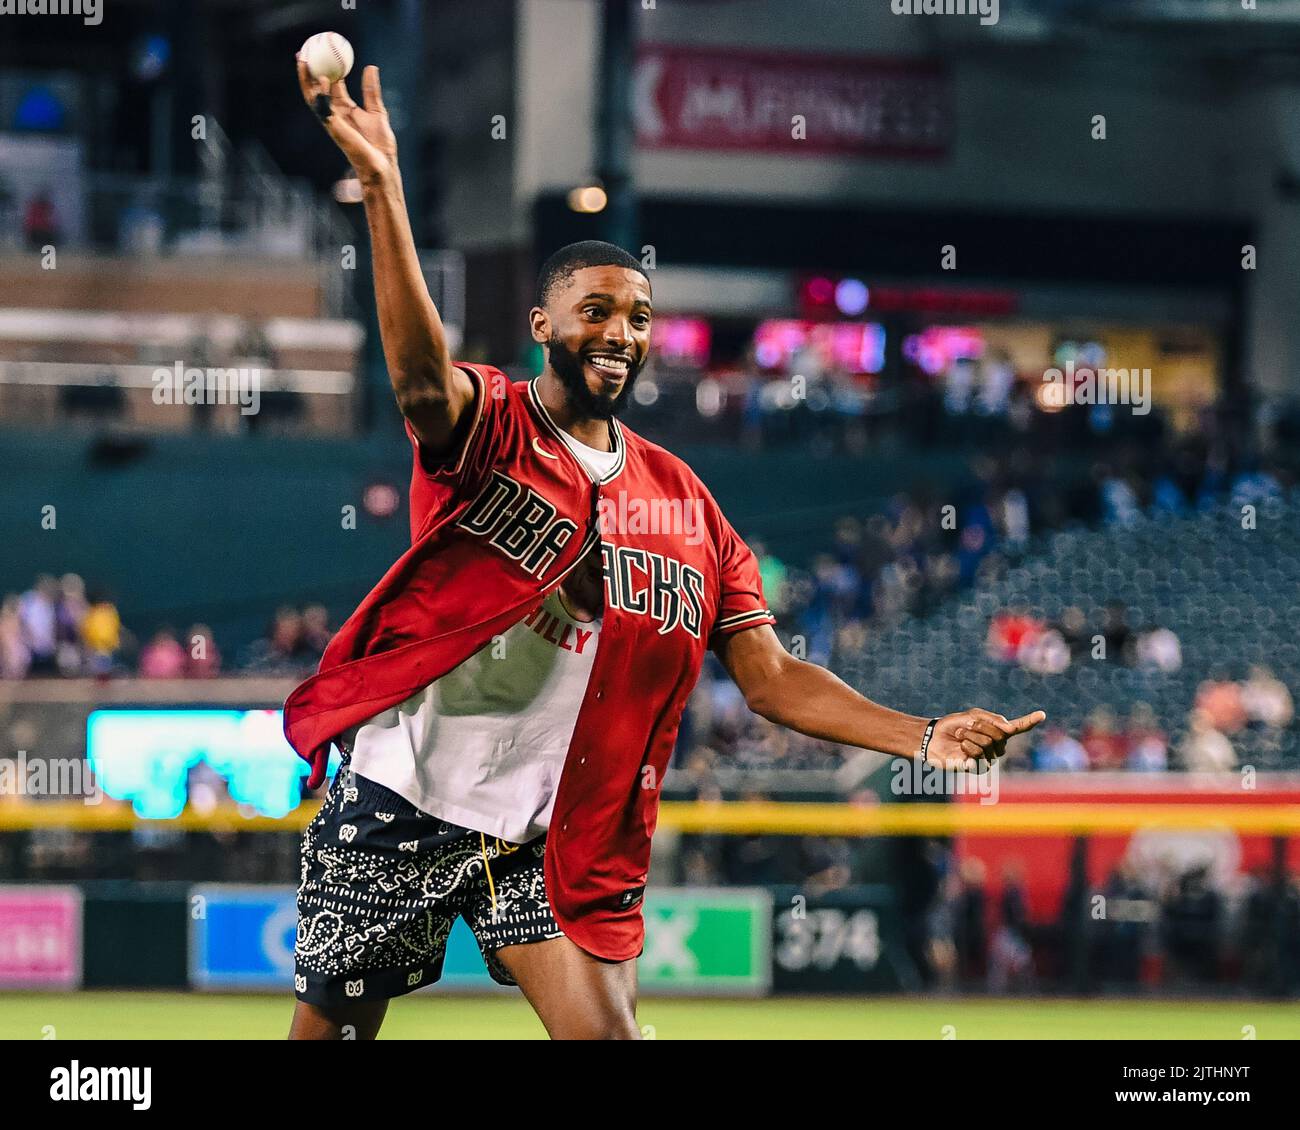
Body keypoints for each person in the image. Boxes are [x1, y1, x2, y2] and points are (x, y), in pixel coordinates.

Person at [284, 57, 1046, 1041]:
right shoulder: (496, 428)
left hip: (544, 838)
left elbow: (769, 677)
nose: (618, 330)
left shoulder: (688, 506)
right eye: (594, 309)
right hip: (403, 796)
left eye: (638, 315)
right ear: (542, 322)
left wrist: (920, 733)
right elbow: (423, 385)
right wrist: (384, 193)